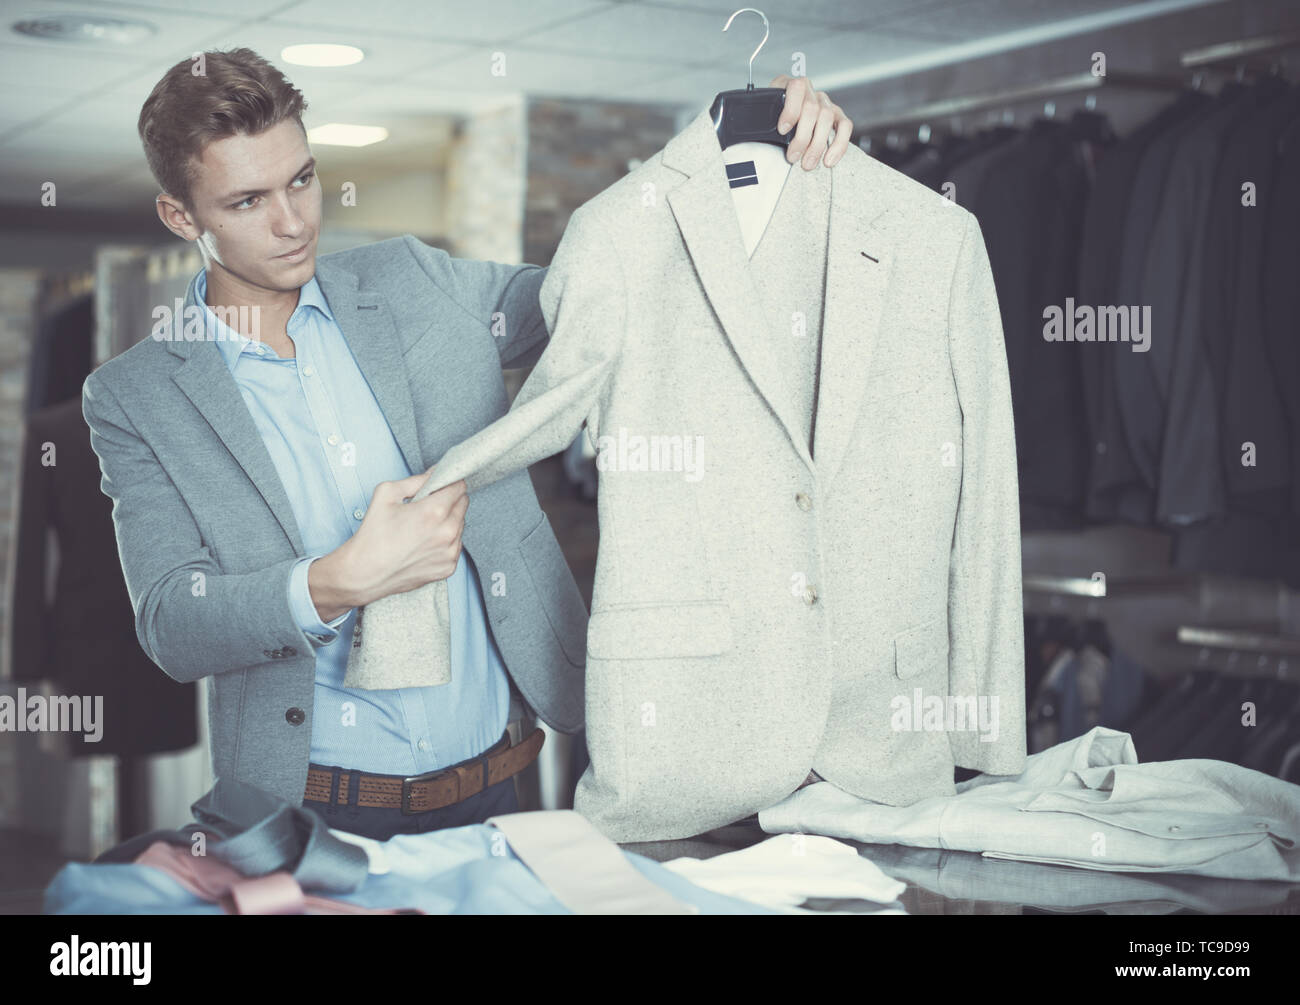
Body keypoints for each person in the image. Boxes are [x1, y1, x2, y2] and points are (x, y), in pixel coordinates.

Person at [83, 46, 852, 841]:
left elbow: (598, 295)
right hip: (314, 815)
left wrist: (738, 149)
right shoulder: (137, 397)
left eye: (302, 180)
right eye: (247, 201)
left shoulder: (413, 284)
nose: (293, 222)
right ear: (181, 215)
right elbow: (175, 621)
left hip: (508, 786)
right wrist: (340, 580)